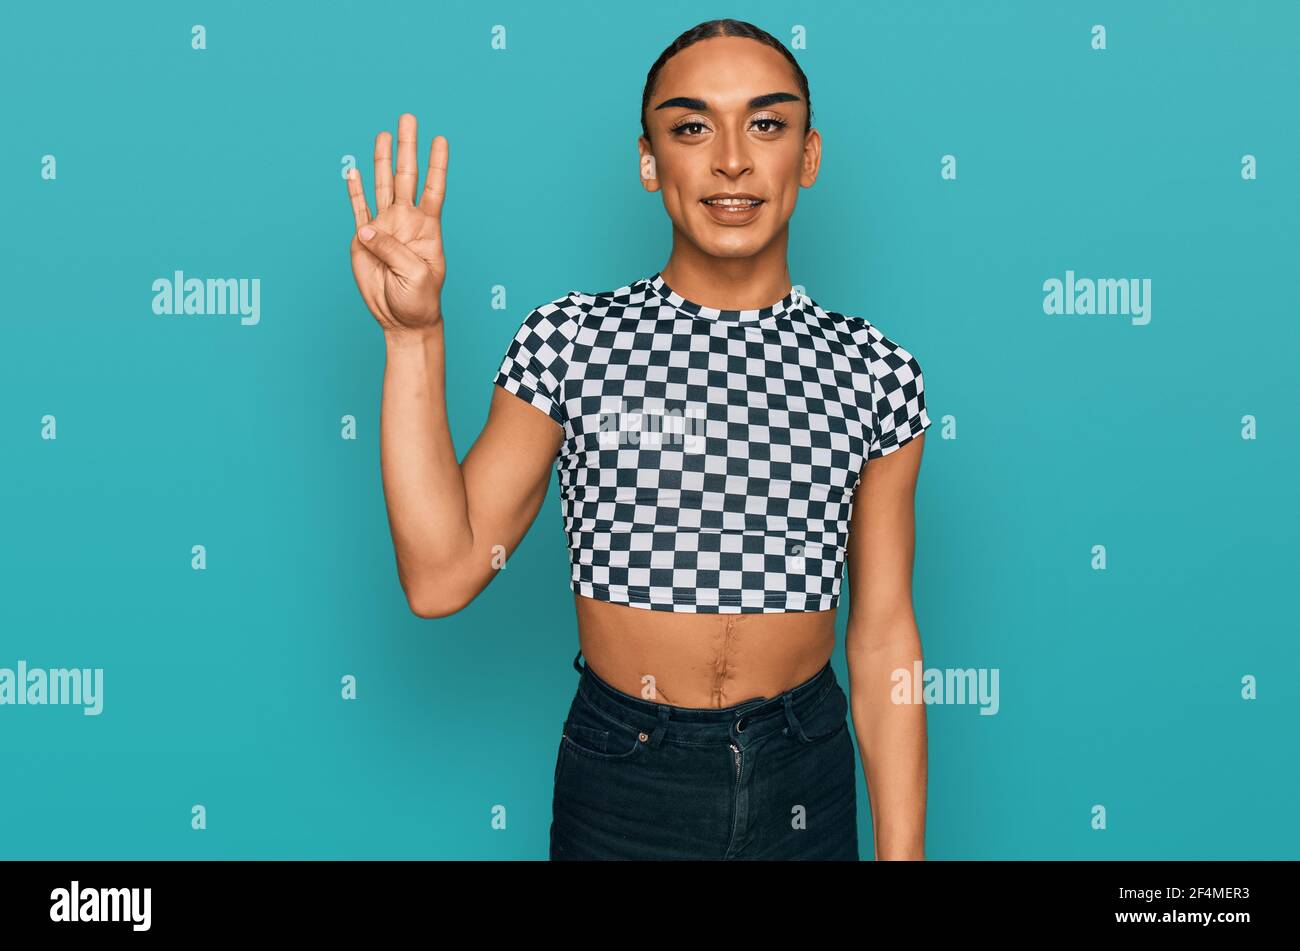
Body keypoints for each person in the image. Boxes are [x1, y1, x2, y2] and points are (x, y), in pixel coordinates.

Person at [344, 18, 930, 861]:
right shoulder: (572, 340)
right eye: (692, 126)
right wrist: (415, 339)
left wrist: (905, 856)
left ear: (808, 155)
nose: (732, 157)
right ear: (650, 161)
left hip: (807, 770)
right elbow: (440, 575)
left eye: (767, 123)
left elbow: (882, 635)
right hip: (626, 782)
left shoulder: (877, 370)